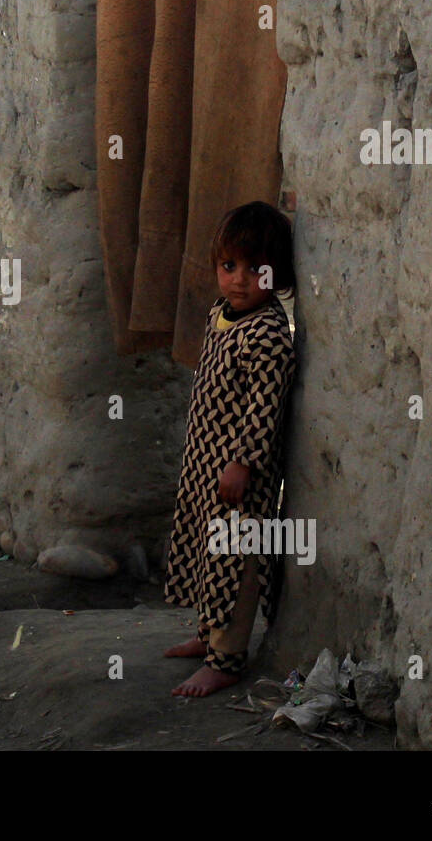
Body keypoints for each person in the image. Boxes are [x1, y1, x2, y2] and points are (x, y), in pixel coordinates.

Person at [163, 200, 296, 697]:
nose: (239, 280)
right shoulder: (222, 315)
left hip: (240, 476)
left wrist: (241, 462)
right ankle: (206, 635)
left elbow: (264, 408)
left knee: (234, 564)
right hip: (206, 465)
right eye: (228, 266)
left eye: (255, 269)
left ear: (278, 274)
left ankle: (227, 658)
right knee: (205, 552)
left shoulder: (266, 334)